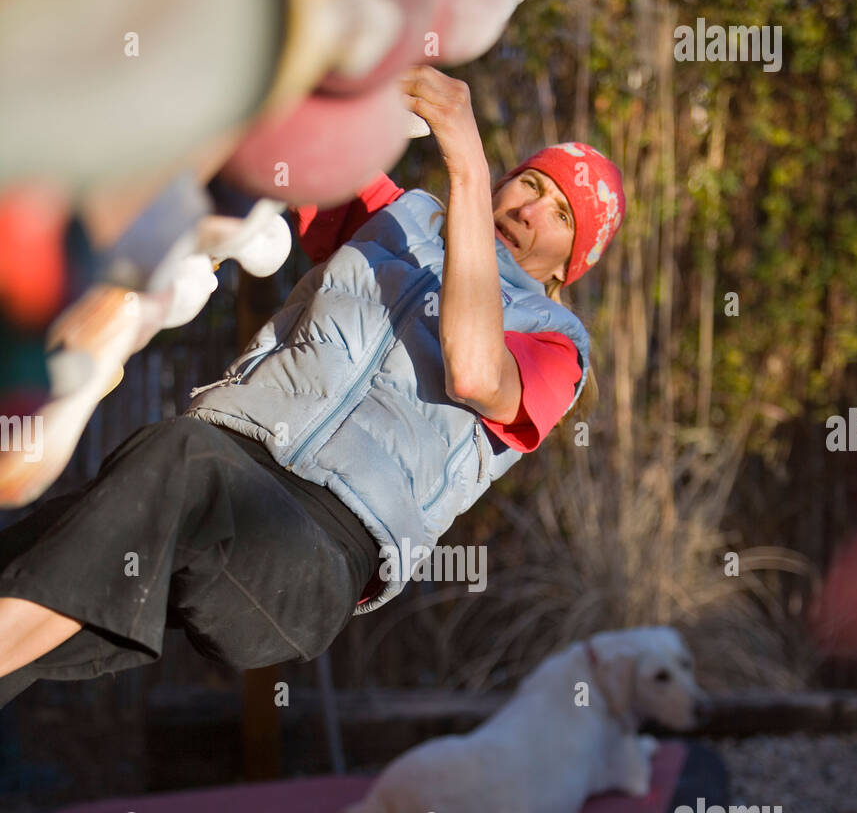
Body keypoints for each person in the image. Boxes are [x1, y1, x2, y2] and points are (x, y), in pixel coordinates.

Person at [0, 67, 624, 708]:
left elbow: (474, 371)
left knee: (178, 459)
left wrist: (464, 160)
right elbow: (289, 142)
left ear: (575, 262)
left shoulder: (557, 346)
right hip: (214, 474)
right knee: (35, 565)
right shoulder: (394, 220)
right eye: (531, 183)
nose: (528, 211)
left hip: (318, 548)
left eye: (559, 216)